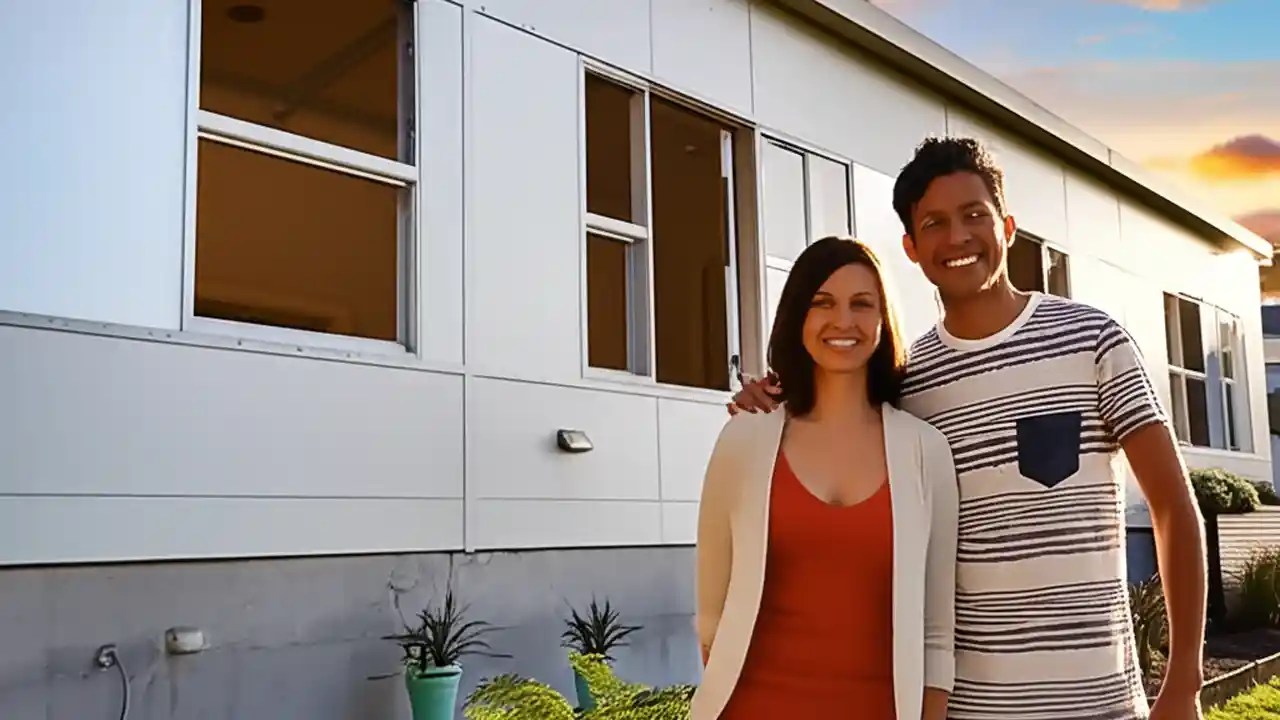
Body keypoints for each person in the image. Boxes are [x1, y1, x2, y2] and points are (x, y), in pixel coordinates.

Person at [730, 137, 1207, 719]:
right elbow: (834, 422)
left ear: (1007, 227)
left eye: (974, 215)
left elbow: (1172, 509)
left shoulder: (1092, 340)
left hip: (1100, 704)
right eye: (934, 223)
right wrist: (773, 402)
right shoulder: (908, 385)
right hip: (969, 709)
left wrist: (1184, 681)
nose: (957, 237)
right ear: (910, 246)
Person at [692, 237, 958, 720]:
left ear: (883, 320)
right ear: (798, 317)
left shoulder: (925, 451)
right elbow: (711, 623)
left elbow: (936, 635)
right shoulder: (744, 442)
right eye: (822, 303)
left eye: (862, 304)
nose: (843, 321)